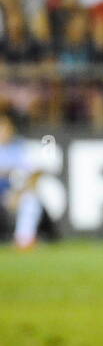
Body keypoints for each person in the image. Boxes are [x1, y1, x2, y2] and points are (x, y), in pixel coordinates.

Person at [0, 107, 45, 249]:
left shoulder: (21, 147)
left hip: (12, 193)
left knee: (31, 200)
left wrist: (19, 193)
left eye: (5, 127)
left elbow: (35, 173)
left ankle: (24, 240)